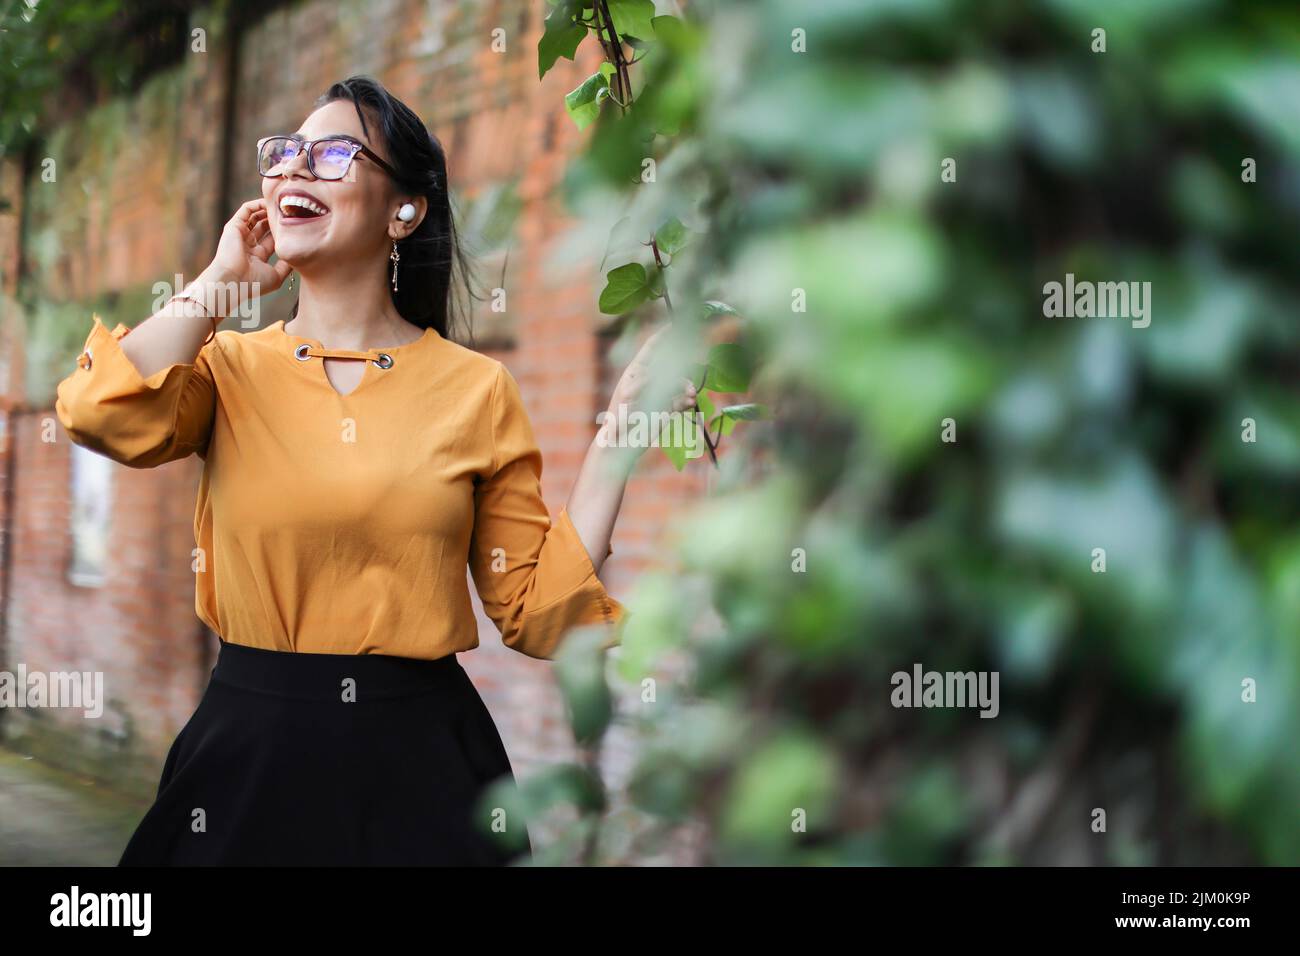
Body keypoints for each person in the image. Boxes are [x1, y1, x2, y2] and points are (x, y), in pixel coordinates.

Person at [54, 75, 696, 866]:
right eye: (284, 155)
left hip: (423, 767)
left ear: (405, 210)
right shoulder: (226, 369)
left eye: (329, 154)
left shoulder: (474, 388)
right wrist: (220, 284)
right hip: (247, 758)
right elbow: (98, 411)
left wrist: (626, 424)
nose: (293, 170)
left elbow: (535, 610)